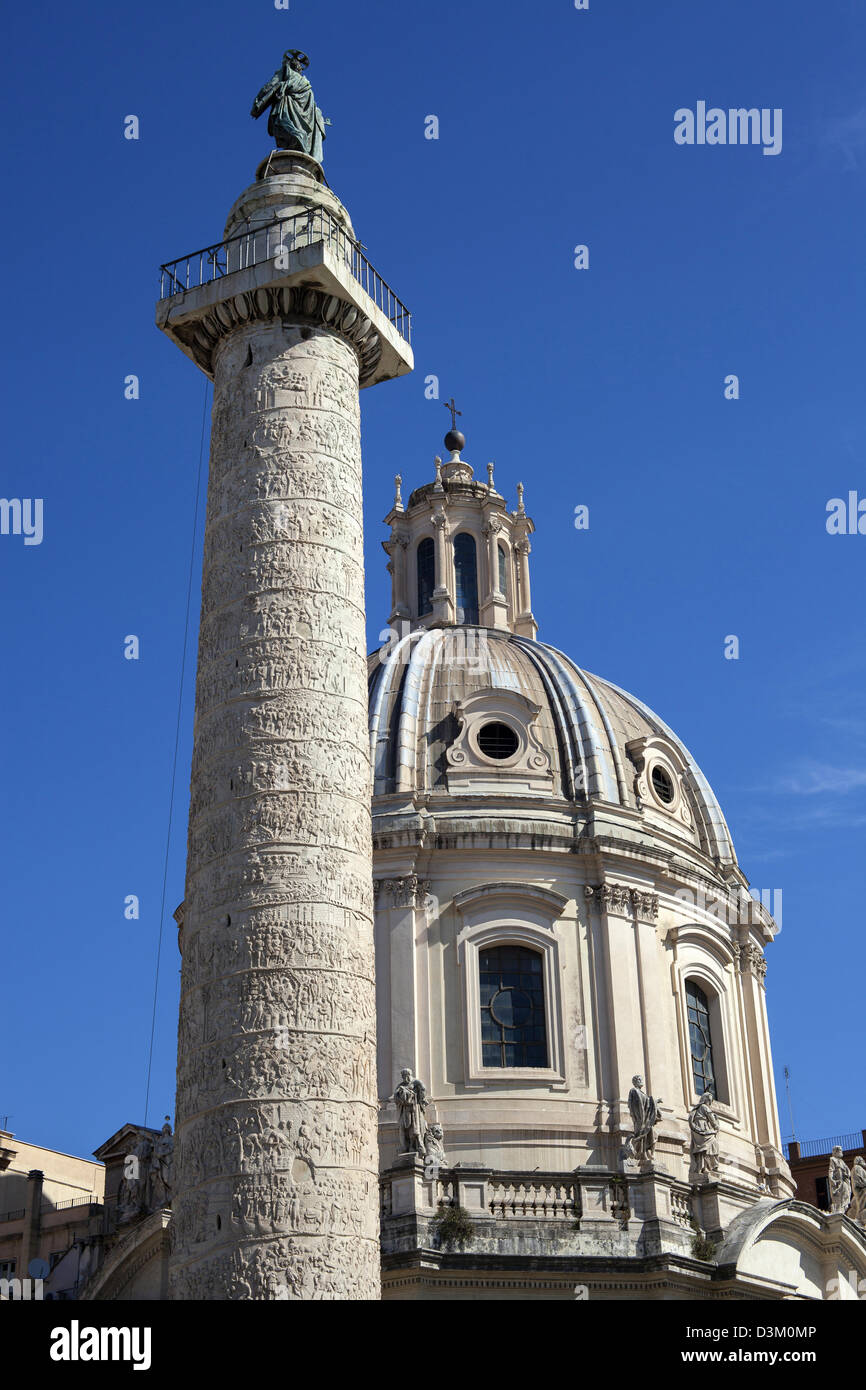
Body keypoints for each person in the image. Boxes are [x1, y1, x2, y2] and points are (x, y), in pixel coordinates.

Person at [251, 50, 328, 163]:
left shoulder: (301, 81)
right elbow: (270, 86)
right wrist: (259, 102)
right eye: (296, 63)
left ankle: (300, 138)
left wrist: (258, 102)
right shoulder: (295, 77)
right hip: (291, 105)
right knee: (285, 125)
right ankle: (300, 138)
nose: (298, 65)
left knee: (284, 124)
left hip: (297, 107)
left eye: (299, 64)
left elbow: (270, 86)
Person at [688, 1092, 720, 1175]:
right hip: (703, 1128)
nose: (710, 1103)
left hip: (698, 1129)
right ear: (706, 1100)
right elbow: (711, 1118)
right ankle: (710, 1166)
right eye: (709, 1100)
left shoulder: (698, 1108)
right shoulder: (704, 1107)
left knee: (704, 1149)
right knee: (711, 1145)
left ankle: (705, 1167)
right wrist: (716, 1126)